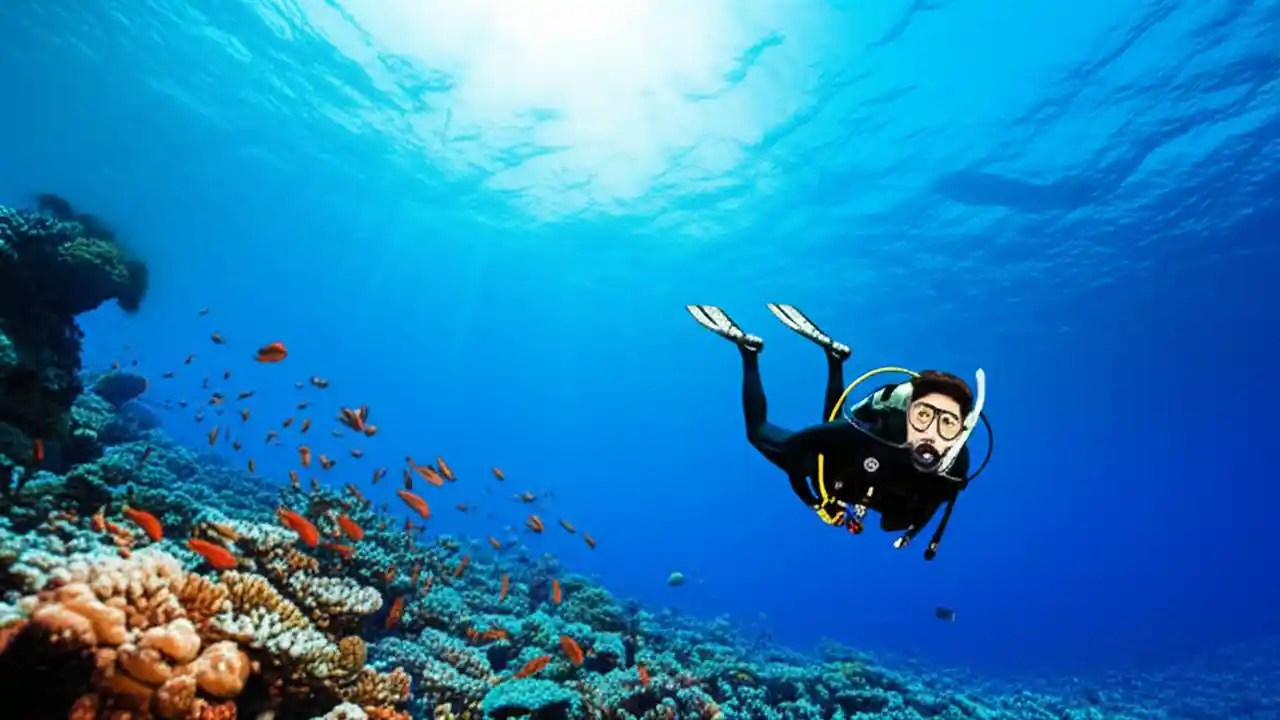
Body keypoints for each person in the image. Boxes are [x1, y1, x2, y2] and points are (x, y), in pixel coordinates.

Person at [686, 303, 983, 560]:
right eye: (923, 415)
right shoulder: (874, 433)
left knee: (836, 426)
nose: (931, 433)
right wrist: (815, 503)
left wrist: (908, 533)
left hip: (848, 472)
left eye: (947, 423)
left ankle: (835, 358)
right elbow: (799, 444)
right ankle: (749, 354)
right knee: (758, 432)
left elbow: (929, 508)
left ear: (961, 432)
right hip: (827, 462)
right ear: (907, 412)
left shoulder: (953, 471)